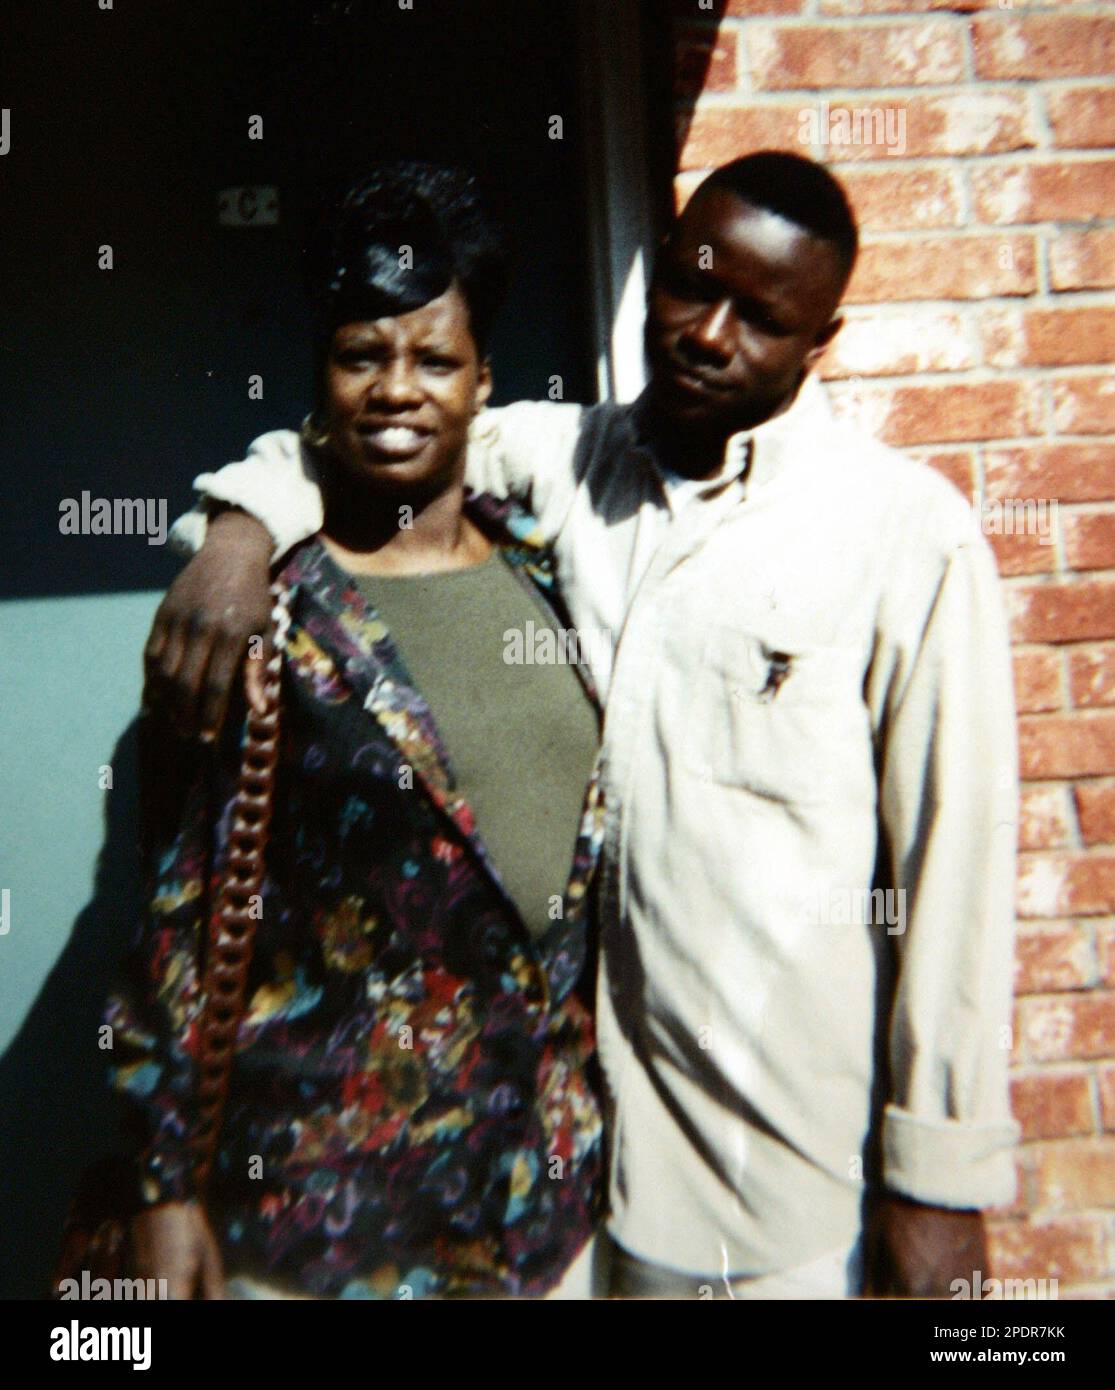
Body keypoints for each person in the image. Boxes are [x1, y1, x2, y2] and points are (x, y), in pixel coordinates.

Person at [148, 151, 1021, 1299]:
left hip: (778, 1188)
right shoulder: (569, 464)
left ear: (823, 341)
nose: (708, 333)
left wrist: (937, 1184)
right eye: (689, 286)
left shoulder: (904, 536)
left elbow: (952, 875)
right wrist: (239, 531)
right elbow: (381, 423)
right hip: (574, 1189)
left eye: (762, 319)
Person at [109, 162, 607, 1300]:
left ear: (483, 383)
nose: (396, 388)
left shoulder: (547, 565)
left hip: (546, 1204)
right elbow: (178, 915)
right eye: (359, 356)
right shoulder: (263, 607)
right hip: (326, 1221)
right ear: (317, 381)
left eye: (434, 359)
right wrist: (163, 1185)